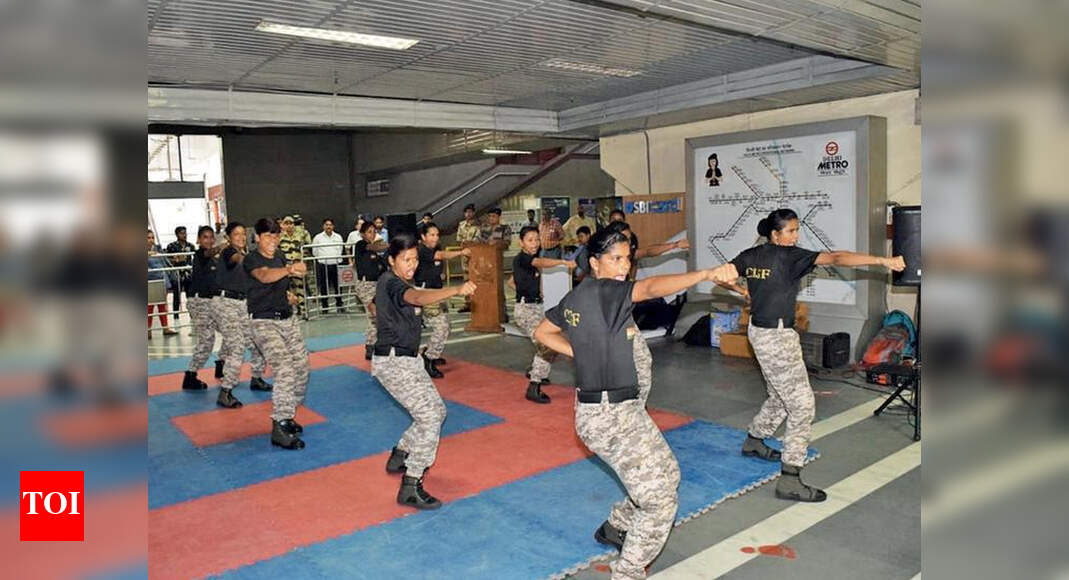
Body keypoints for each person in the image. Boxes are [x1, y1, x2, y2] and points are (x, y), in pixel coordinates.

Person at [534, 228, 738, 580]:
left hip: (619, 410)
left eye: (627, 259)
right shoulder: (607, 291)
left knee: (668, 475)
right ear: (594, 262)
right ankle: (627, 573)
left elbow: (542, 332)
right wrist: (705, 274)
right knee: (660, 501)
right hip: (609, 416)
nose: (623, 267)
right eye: (615, 258)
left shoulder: (579, 295)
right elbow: (650, 288)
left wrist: (581, 354)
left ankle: (617, 525)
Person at [721, 209, 905, 502]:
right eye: (790, 231)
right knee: (802, 405)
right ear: (775, 234)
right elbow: (837, 257)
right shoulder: (789, 257)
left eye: (796, 230)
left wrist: (742, 292)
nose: (795, 236)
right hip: (777, 338)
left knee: (781, 396)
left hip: (760, 334)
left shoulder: (751, 255)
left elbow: (721, 275)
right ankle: (790, 479)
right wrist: (883, 261)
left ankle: (755, 440)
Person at [373, 233, 477, 510]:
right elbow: (417, 297)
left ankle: (401, 452)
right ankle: (411, 484)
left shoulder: (397, 281)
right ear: (392, 259)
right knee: (430, 417)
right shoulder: (391, 282)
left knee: (436, 413)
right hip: (393, 363)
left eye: (415, 259)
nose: (412, 264)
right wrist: (455, 290)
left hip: (408, 360)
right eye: (406, 259)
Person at [244, 218, 310, 450]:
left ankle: (288, 414)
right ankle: (280, 424)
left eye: (276, 236)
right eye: (268, 236)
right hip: (263, 321)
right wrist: (291, 269)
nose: (273, 240)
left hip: (286, 319)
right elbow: (264, 276)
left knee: (302, 367)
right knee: (284, 367)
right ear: (258, 238)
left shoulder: (281, 256)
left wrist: (289, 294)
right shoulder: (252, 258)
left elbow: (279, 282)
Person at [511, 225, 575, 403]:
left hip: (534, 307)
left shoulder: (526, 261)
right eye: (530, 240)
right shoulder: (524, 258)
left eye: (537, 240)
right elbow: (540, 263)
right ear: (521, 242)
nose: (535, 243)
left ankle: (536, 371)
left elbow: (511, 282)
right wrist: (563, 262)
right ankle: (534, 385)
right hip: (526, 310)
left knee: (551, 342)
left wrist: (529, 291)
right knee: (546, 345)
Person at [216, 222, 272, 402]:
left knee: (257, 340)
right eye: (236, 234)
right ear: (228, 237)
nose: (240, 237)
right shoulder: (228, 252)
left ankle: (256, 377)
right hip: (226, 304)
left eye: (242, 234)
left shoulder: (247, 255)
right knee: (237, 347)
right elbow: (237, 260)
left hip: (243, 303)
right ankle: (225, 391)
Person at [415, 222, 471, 377]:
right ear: (423, 237)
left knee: (446, 325)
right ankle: (428, 358)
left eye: (437, 235)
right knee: (442, 327)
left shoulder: (433, 250)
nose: (435, 238)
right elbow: (440, 256)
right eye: (431, 235)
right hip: (426, 294)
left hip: (437, 293)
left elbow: (436, 263)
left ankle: (430, 351)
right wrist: (461, 252)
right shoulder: (422, 249)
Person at [181, 226, 224, 395]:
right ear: (199, 240)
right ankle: (190, 375)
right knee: (207, 340)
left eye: (211, 237)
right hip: (199, 301)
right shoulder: (200, 255)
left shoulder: (214, 260)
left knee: (231, 331)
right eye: (205, 237)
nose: (209, 240)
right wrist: (224, 245)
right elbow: (208, 253)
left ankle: (221, 363)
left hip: (213, 301)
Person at [350, 221, 388, 360]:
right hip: (365, 285)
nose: (373, 234)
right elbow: (374, 246)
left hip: (377, 285)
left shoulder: (377, 254)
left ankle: (373, 343)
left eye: (374, 231)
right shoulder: (361, 245)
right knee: (374, 315)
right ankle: (371, 345)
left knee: (377, 317)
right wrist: (388, 245)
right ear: (363, 234)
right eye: (369, 231)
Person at [147, 230, 178, 337]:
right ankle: (147, 330)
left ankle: (165, 328)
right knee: (149, 307)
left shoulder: (158, 248)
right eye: (148, 238)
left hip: (161, 279)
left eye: (152, 238)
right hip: (149, 281)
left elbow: (164, 262)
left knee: (162, 305)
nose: (151, 240)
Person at [312, 218, 346, 313]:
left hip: (336, 264)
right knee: (324, 286)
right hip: (323, 265)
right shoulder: (318, 238)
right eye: (326, 225)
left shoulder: (338, 237)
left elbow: (340, 249)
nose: (328, 226)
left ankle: (339, 304)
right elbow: (314, 252)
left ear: (333, 226)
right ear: (323, 226)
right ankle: (324, 306)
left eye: (330, 225)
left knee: (338, 286)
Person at [165, 226, 195, 326]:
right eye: (182, 233)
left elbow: (194, 258)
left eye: (185, 233)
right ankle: (176, 315)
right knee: (176, 295)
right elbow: (167, 259)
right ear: (177, 235)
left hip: (188, 273)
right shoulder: (171, 246)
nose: (184, 235)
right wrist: (176, 260)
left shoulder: (190, 245)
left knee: (190, 295)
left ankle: (193, 314)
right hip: (177, 273)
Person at [278, 215, 307, 315]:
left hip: (297, 266)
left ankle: (303, 310)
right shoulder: (280, 237)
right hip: (286, 267)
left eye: (291, 223)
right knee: (288, 290)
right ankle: (292, 311)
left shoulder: (300, 236)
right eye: (287, 223)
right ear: (283, 225)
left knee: (300, 289)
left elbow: (307, 247)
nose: (289, 226)